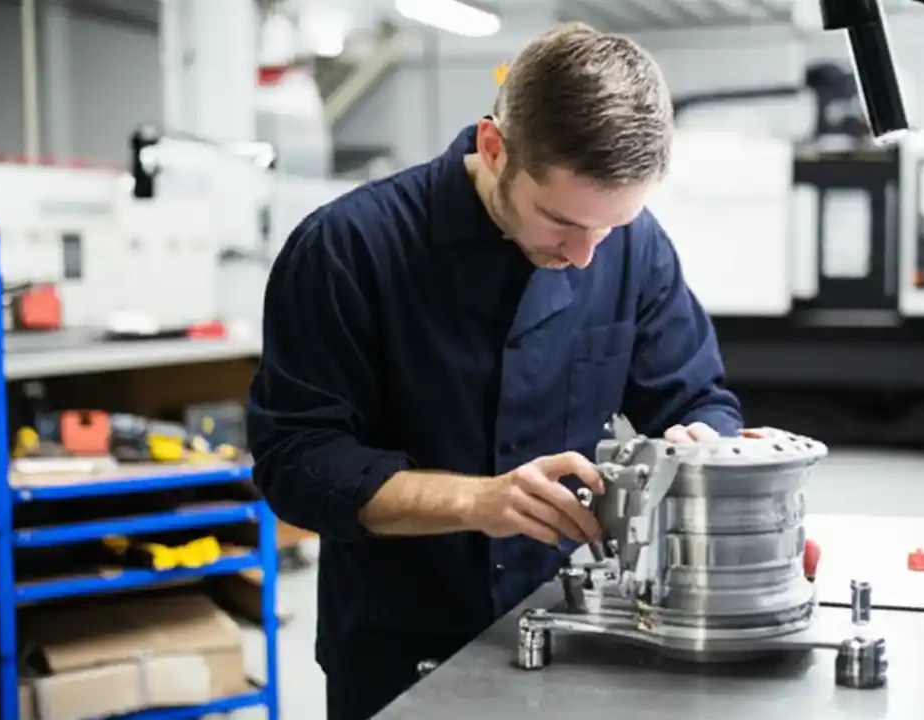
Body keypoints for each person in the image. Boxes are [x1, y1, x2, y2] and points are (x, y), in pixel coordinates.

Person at [247, 22, 817, 720]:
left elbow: (694, 394)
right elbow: (299, 466)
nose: (585, 256)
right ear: (494, 148)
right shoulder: (347, 248)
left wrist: (706, 445)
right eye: (559, 224)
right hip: (398, 647)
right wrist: (478, 502)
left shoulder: (632, 247)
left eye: (606, 229)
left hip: (571, 624)